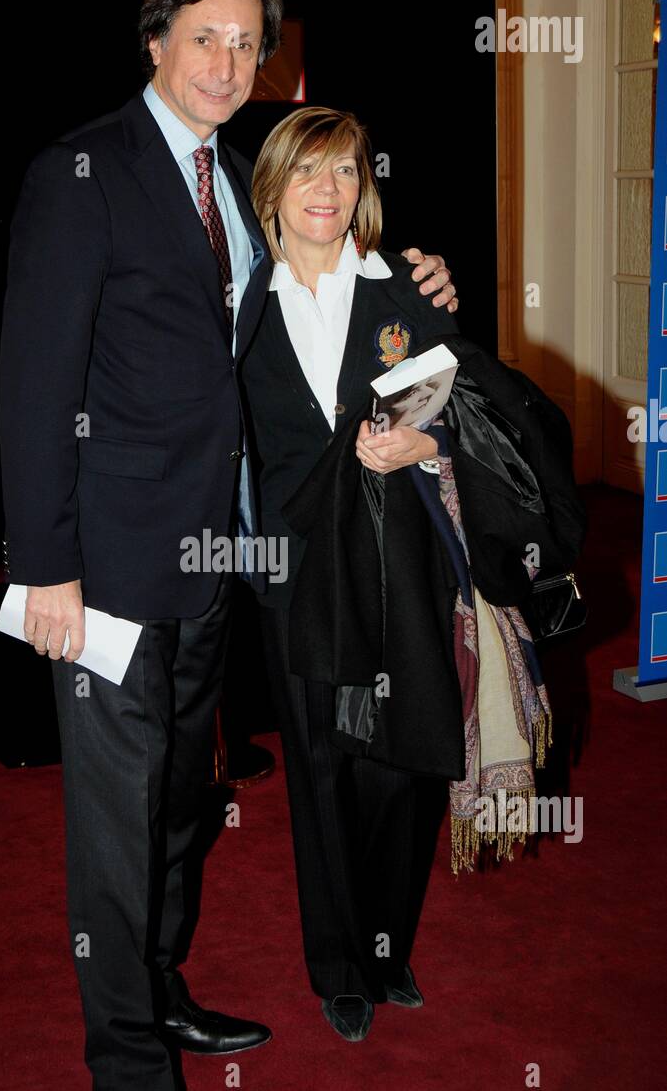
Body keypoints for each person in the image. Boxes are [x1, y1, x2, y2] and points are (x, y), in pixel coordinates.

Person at [0, 0, 456, 1091]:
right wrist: (45, 570)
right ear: (154, 43)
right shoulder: (80, 171)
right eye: (205, 38)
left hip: (217, 562)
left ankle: (161, 991)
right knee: (113, 832)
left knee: (180, 811)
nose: (228, 65)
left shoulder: (242, 184)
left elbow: (321, 294)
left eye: (248, 45)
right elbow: (34, 386)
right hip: (103, 575)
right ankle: (129, 1081)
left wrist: (417, 280)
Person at [240, 106, 584, 1043]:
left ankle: (388, 950)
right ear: (270, 188)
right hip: (297, 570)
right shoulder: (238, 304)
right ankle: (339, 967)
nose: (327, 190)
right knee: (319, 770)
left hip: (405, 563)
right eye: (309, 172)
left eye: (346, 172)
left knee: (401, 762)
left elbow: (490, 415)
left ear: (364, 190)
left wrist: (423, 441)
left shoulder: (406, 291)